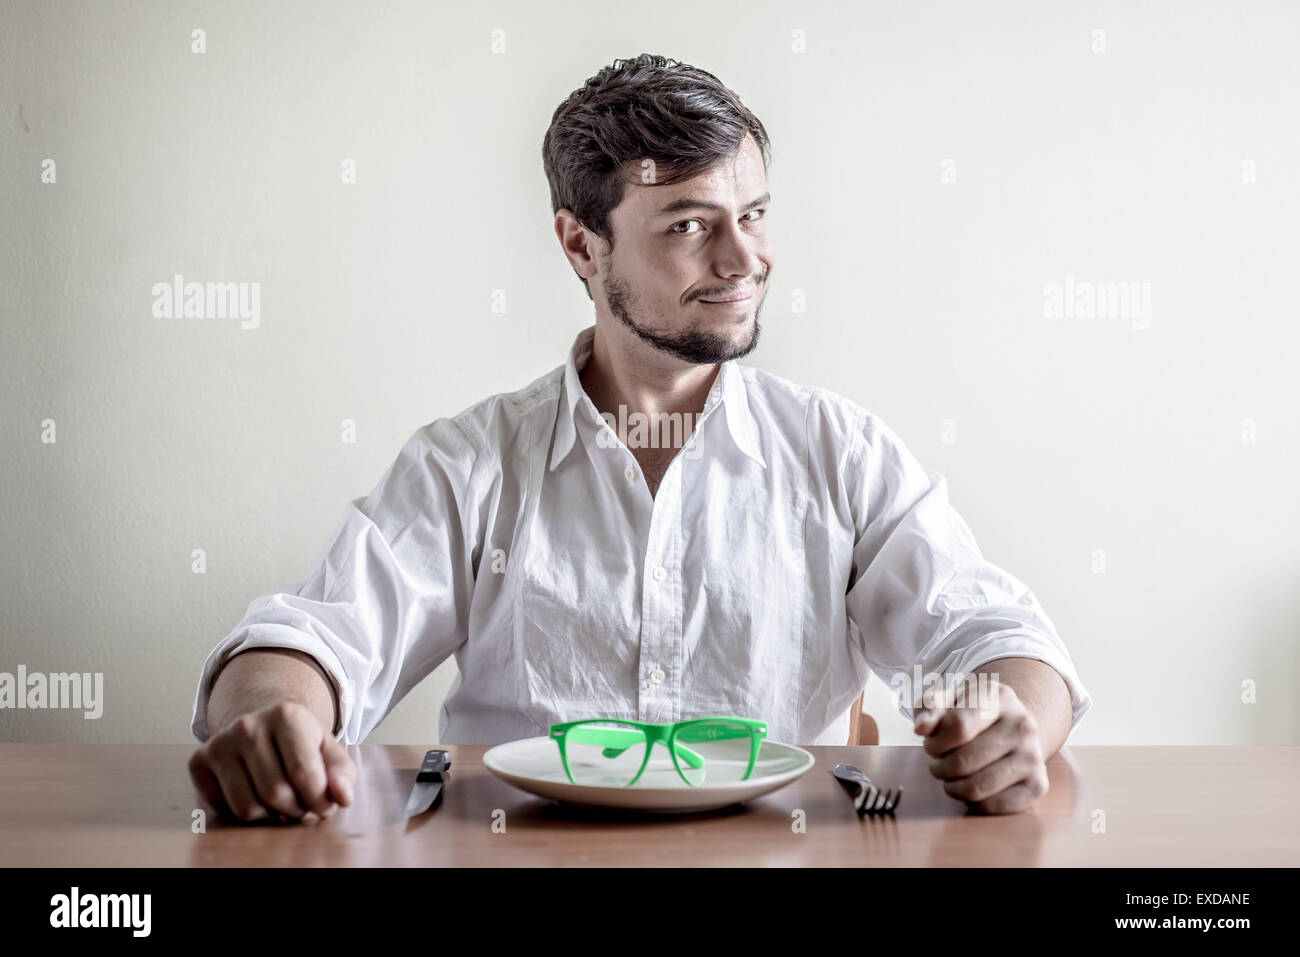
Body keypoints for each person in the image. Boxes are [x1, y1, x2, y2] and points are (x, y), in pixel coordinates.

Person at [188, 54, 1091, 824]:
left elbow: (998, 634)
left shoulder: (840, 453)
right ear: (582, 247)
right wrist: (273, 718)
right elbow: (305, 642)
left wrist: (1008, 714)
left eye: (756, 215)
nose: (745, 260)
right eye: (692, 225)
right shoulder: (471, 463)